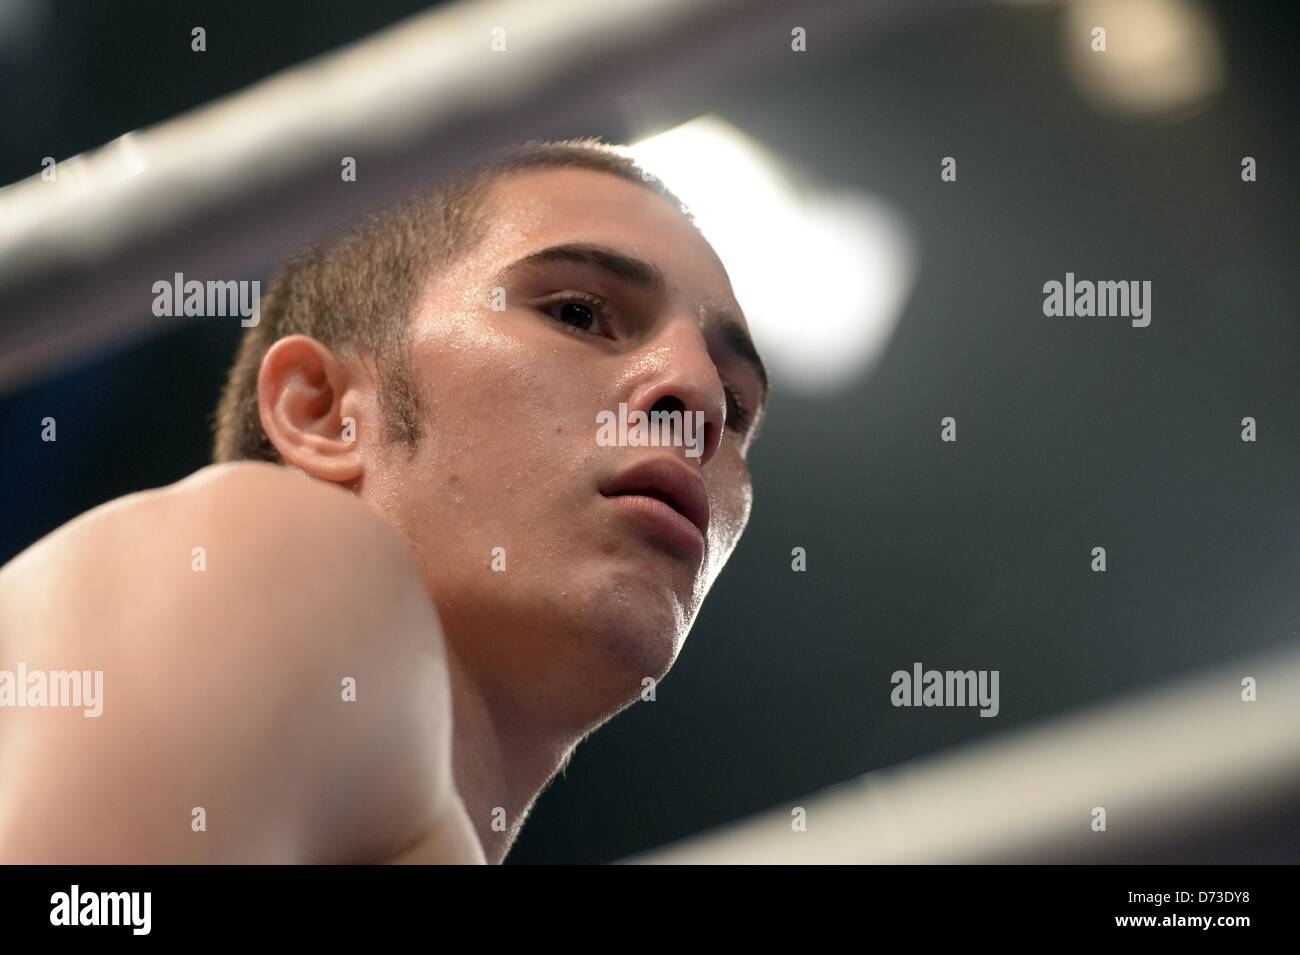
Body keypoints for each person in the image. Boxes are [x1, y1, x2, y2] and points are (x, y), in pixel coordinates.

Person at [0, 139, 768, 864]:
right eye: (576, 312)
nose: (698, 400)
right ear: (322, 411)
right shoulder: (279, 544)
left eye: (735, 406)